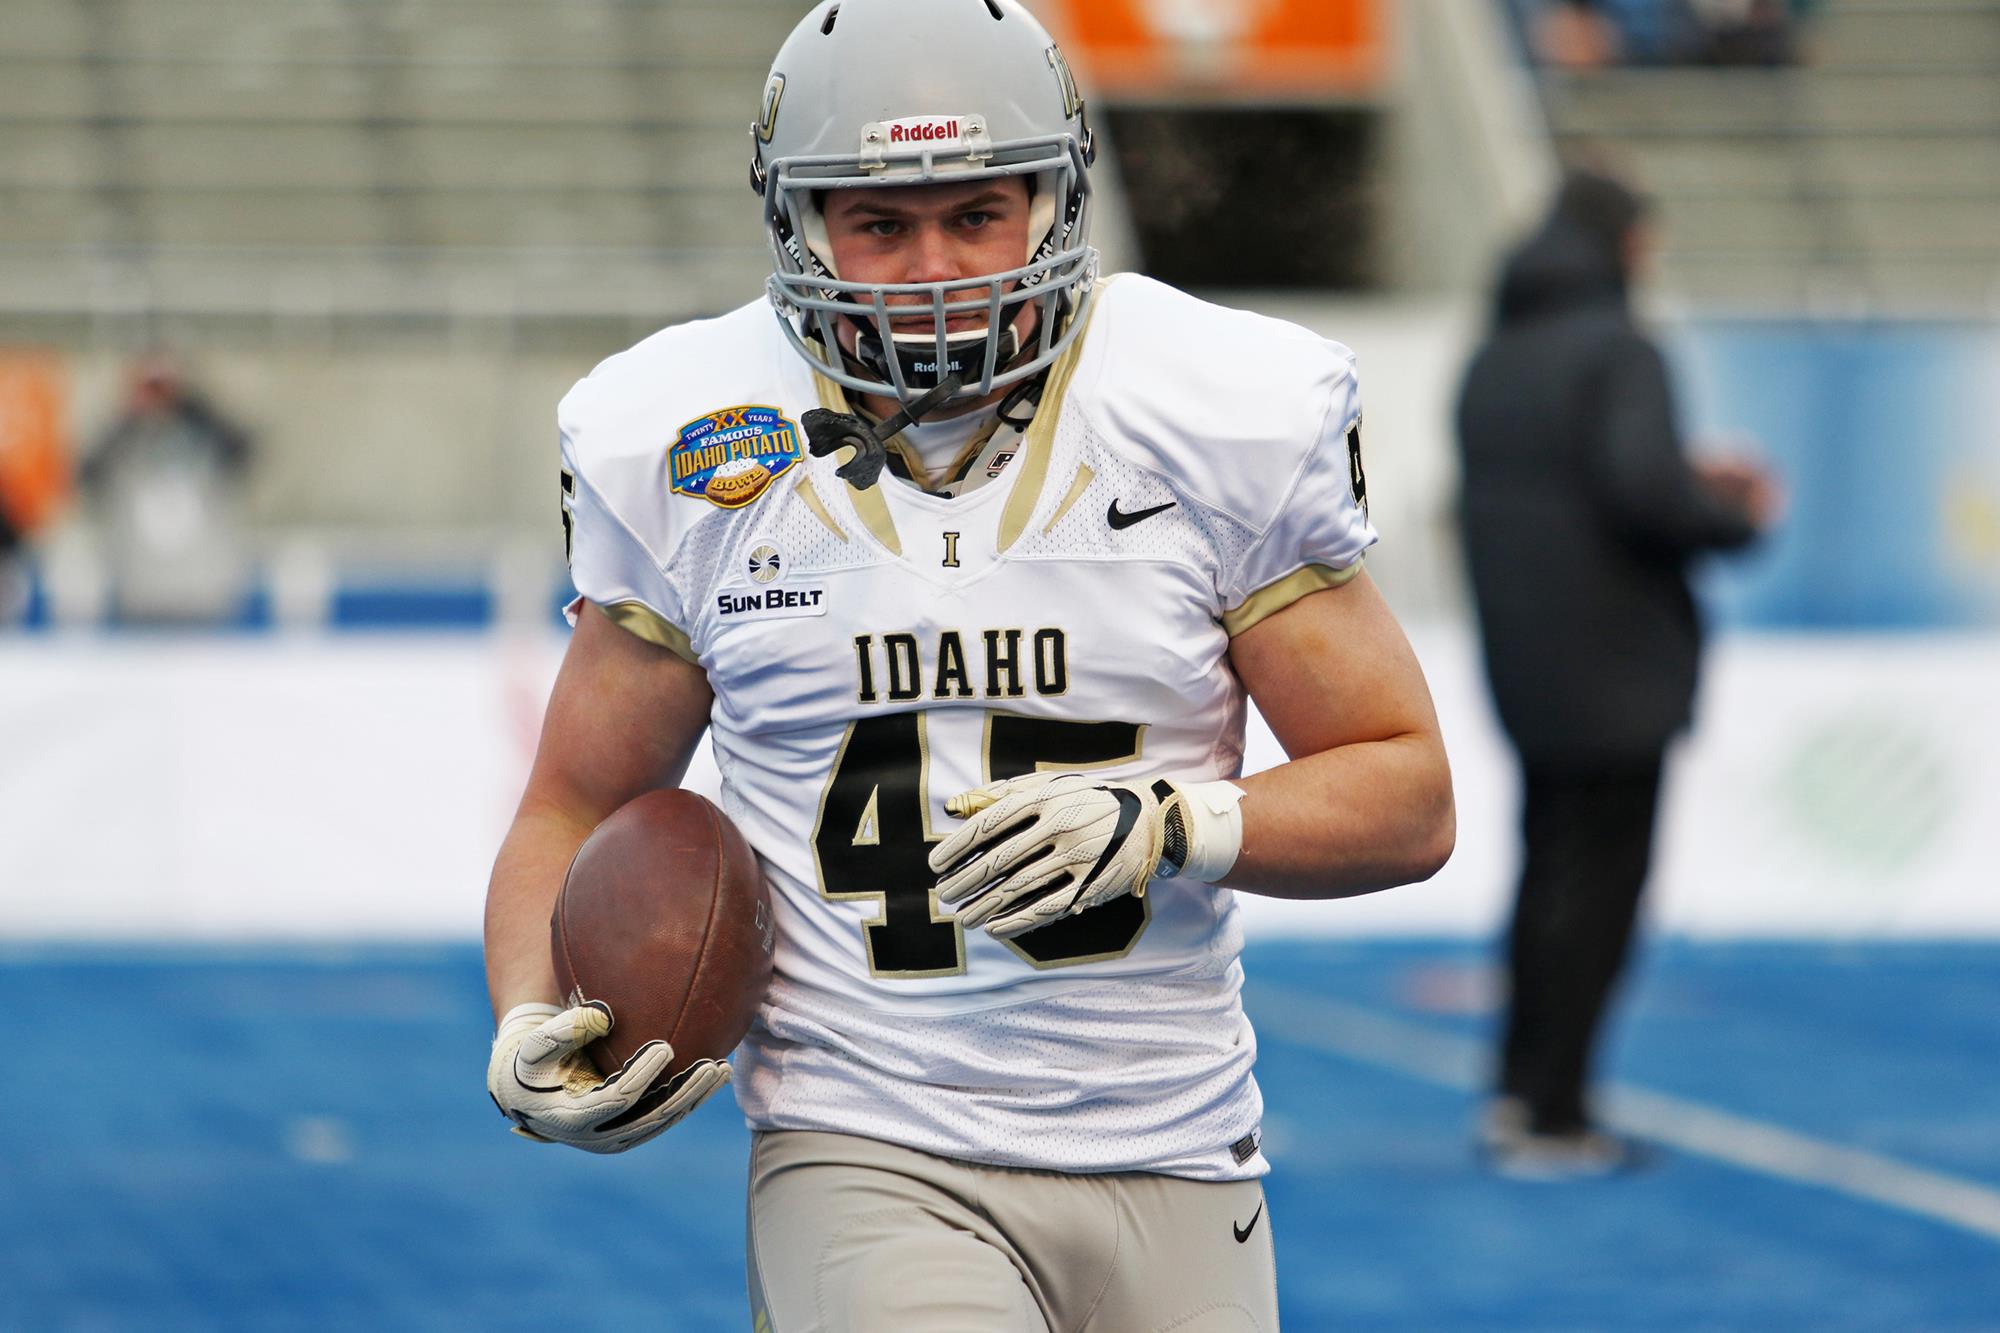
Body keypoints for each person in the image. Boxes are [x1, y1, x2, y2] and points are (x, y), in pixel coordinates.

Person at [483, 2, 1454, 1327]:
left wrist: (1174, 821)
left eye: (977, 214)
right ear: (800, 222)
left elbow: (1408, 788)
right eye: (881, 224)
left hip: (1175, 1135)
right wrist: (531, 1010)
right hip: (864, 1136)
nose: (935, 266)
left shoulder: (1203, 412)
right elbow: (575, 802)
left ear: (1056, 203)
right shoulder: (694, 441)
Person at [1454, 167, 1781, 1178]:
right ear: (1623, 242)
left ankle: (1518, 1092)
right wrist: (1731, 509)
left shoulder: (1492, 354)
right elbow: (1645, 494)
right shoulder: (1619, 349)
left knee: (1543, 873)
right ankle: (1557, 1115)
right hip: (1615, 669)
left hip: (1524, 665)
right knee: (1599, 892)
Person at [80, 351, 255, 624]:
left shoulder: (204, 436)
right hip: (141, 595)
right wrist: (127, 417)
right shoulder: (126, 440)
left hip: (204, 594)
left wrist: (194, 407)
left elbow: (242, 454)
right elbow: (87, 475)